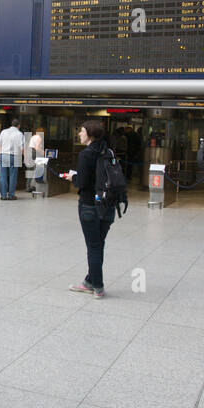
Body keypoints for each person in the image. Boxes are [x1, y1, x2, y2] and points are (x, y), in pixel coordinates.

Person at [63, 120, 115, 298]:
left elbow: (83, 183)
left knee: (93, 247)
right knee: (98, 245)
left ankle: (97, 287)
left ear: (90, 135)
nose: (79, 134)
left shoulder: (86, 154)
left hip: (89, 206)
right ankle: (89, 281)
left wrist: (72, 177)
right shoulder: (108, 152)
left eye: (82, 131)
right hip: (108, 206)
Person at [0, 117, 25, 200]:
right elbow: (22, 148)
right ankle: (11, 195)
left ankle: (3, 195)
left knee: (3, 176)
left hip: (3, 155)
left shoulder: (3, 132)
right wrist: (25, 158)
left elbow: (0, 144)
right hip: (14, 156)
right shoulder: (19, 134)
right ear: (19, 126)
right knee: (13, 176)